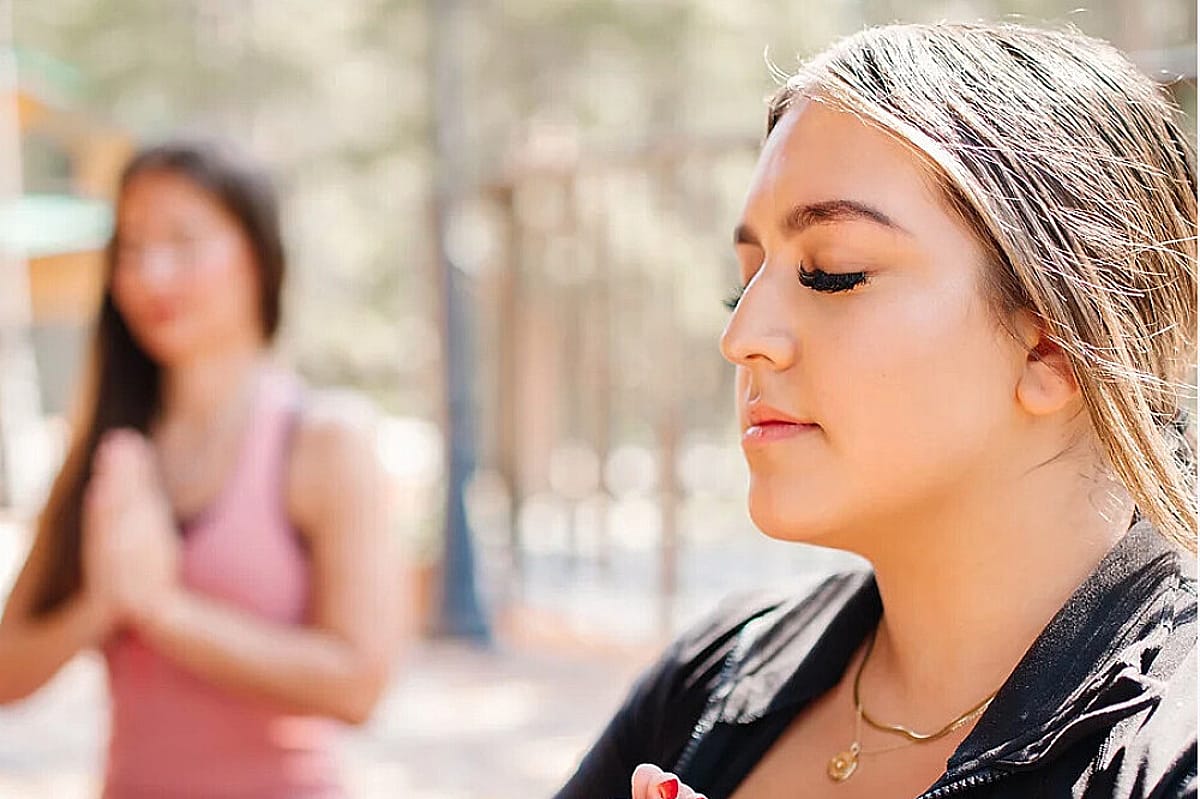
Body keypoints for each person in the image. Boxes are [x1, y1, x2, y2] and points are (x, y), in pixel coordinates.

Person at [556, 22, 1196, 799]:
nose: (741, 337)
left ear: (1052, 345)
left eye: (833, 272)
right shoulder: (713, 673)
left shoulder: (1170, 751)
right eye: (744, 282)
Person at [0, 140, 401, 798]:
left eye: (183, 243)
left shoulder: (324, 439)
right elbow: (6, 673)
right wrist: (101, 603)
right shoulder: (102, 449)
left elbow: (359, 685)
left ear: (258, 255)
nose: (150, 273)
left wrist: (165, 613)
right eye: (130, 247)